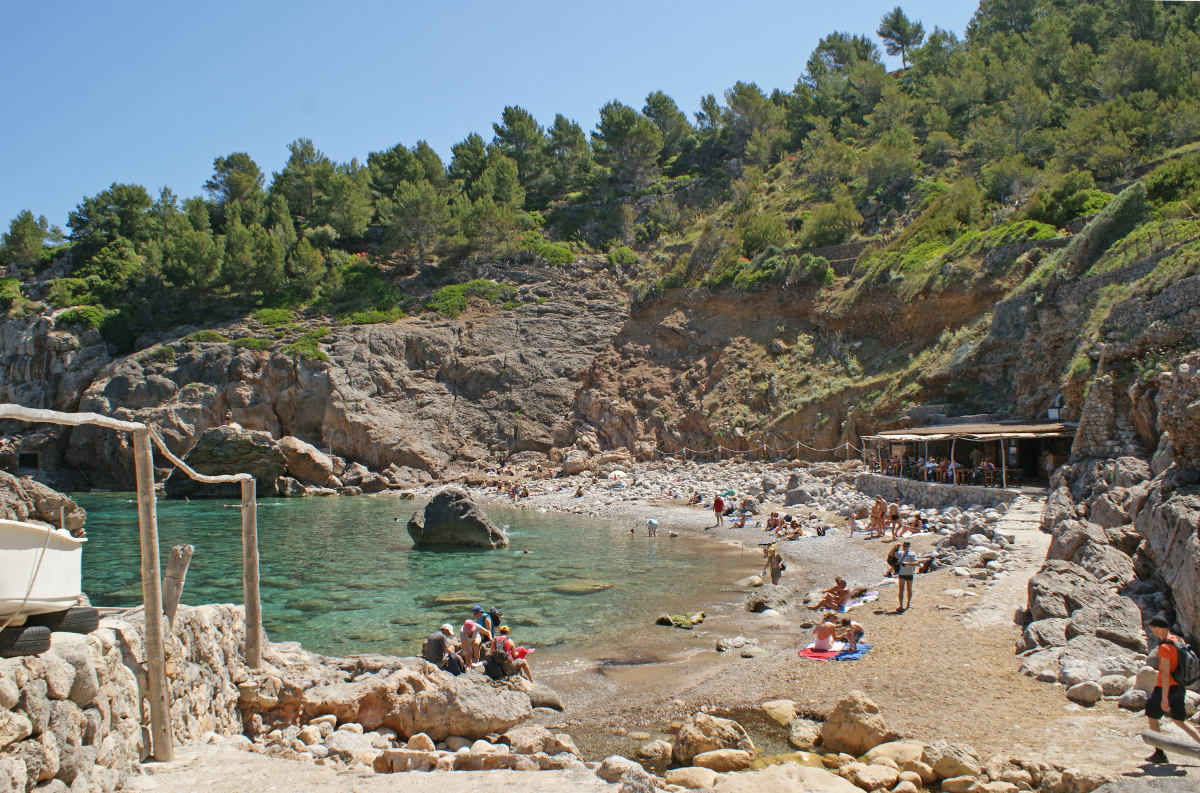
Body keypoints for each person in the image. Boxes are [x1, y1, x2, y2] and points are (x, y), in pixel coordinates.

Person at [1144, 614, 1200, 763]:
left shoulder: (1164, 648)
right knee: (1179, 720)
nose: (1153, 632)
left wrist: (1164, 698)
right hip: (1180, 687)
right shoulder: (1178, 640)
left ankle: (1159, 753)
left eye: (1153, 629)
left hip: (1166, 688)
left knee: (1152, 716)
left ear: (1158, 628)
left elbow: (1165, 674)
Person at [897, 541, 918, 612]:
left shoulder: (912, 554)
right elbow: (891, 556)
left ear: (909, 547)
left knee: (909, 589)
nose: (905, 547)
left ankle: (908, 602)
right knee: (901, 589)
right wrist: (896, 546)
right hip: (901, 573)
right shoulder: (899, 553)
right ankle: (901, 605)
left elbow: (915, 562)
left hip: (909, 573)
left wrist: (906, 563)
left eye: (906, 546)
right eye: (904, 546)